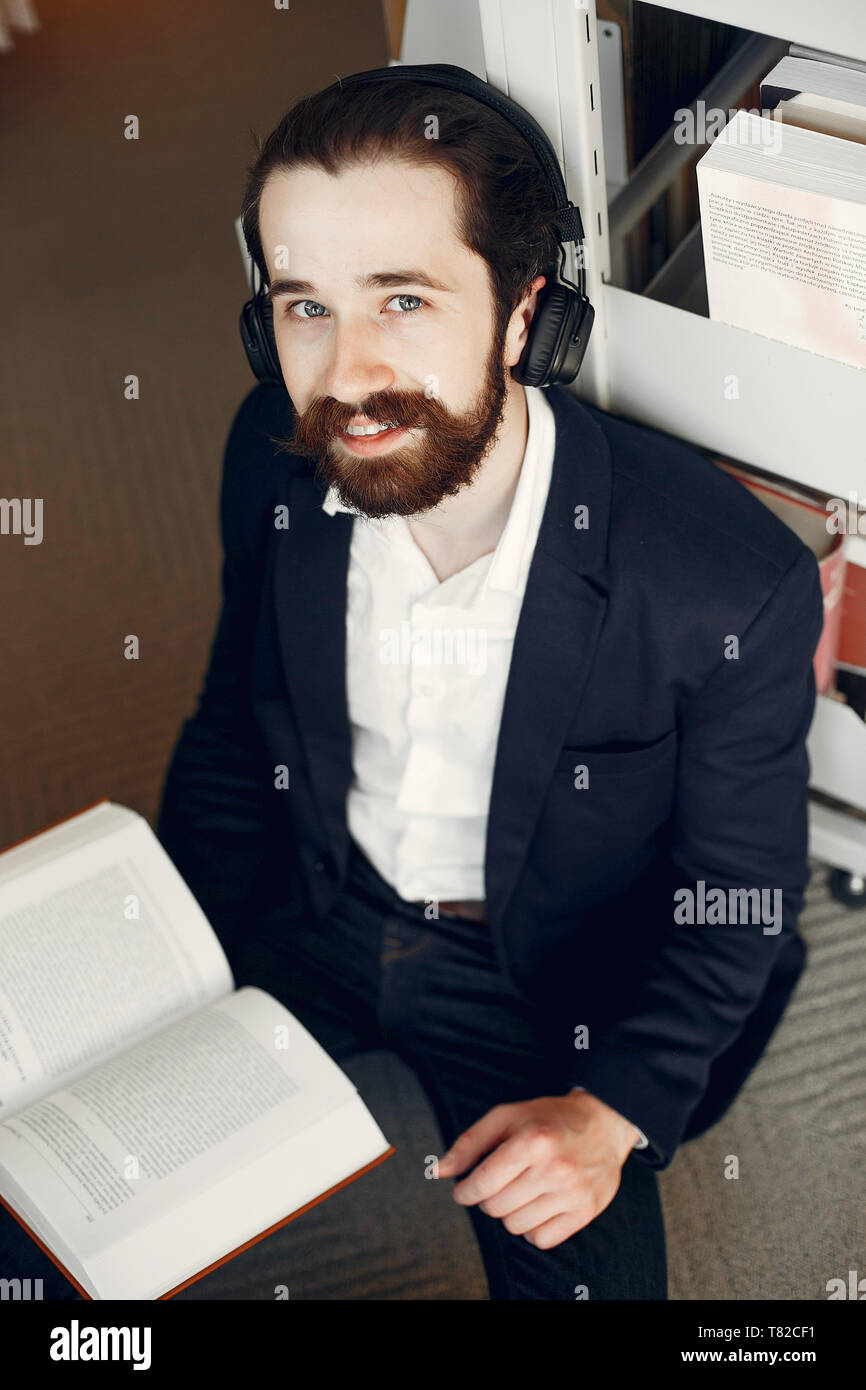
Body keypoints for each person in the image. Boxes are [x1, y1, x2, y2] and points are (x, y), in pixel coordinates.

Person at [157, 69, 823, 1301]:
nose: (346, 375)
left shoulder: (722, 584)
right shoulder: (269, 458)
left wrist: (611, 1111)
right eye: (304, 307)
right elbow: (228, 732)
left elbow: (738, 893)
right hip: (311, 905)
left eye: (401, 299)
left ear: (526, 320)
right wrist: (163, 962)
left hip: (540, 981)